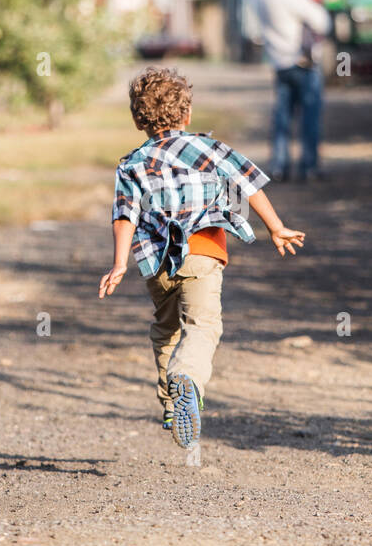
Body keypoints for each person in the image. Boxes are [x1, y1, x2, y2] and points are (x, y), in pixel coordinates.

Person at [98, 66, 306, 449]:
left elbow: (124, 215)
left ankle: (169, 403)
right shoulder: (209, 148)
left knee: (165, 330)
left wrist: (119, 264)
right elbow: (248, 184)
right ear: (187, 115)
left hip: (155, 264)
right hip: (202, 253)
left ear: (137, 119)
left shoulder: (131, 163)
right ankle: (186, 378)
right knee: (202, 326)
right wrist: (275, 227)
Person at [256, 0, 332, 182]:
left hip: (279, 62)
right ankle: (309, 166)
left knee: (282, 118)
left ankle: (279, 166)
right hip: (303, 62)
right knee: (309, 116)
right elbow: (321, 21)